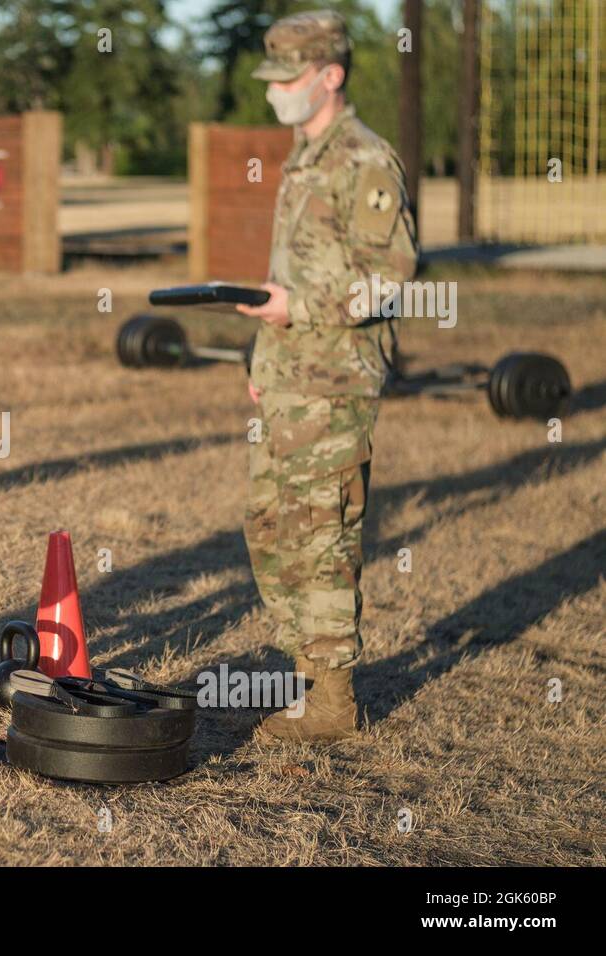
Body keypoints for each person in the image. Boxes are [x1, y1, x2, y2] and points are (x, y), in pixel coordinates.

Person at [235, 10, 420, 742]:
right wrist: (262, 355)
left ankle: (334, 699)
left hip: (335, 382)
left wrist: (299, 307)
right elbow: (294, 270)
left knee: (322, 531)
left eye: (289, 77)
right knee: (269, 524)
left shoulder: (365, 159)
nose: (277, 91)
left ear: (330, 75)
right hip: (287, 373)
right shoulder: (303, 157)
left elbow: (391, 279)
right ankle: (306, 675)